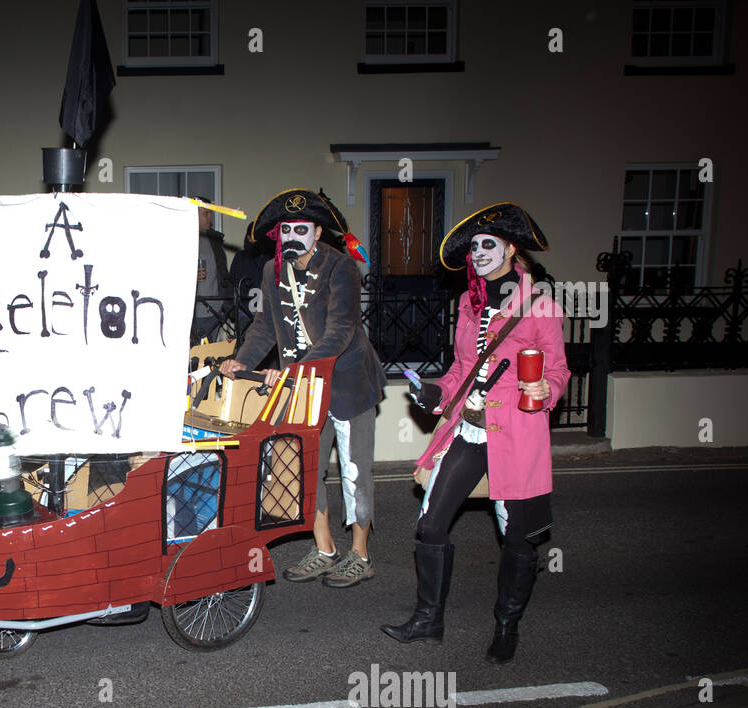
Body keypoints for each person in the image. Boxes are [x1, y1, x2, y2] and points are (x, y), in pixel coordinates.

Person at [381, 202, 570, 664]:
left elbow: (561, 370)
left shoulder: (539, 305)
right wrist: (435, 391)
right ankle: (429, 620)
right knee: (430, 525)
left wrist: (547, 388)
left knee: (519, 537)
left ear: (510, 249)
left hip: (517, 435)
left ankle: (506, 625)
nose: (479, 253)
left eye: (488, 244)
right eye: (473, 248)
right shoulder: (469, 303)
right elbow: (463, 370)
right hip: (470, 429)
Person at [219, 188, 384, 588]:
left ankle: (360, 553)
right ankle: (325, 547)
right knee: (302, 465)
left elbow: (341, 330)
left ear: (317, 232)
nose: (293, 235)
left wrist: (294, 370)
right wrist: (244, 360)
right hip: (304, 386)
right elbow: (264, 325)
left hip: (347, 383)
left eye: (302, 228)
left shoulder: (341, 267)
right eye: (287, 229)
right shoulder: (272, 271)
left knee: (354, 468)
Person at [191, 198, 233, 344]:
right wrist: (191, 276)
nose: (210, 217)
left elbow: (223, 273)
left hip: (217, 309)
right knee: (196, 359)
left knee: (213, 357)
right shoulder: (184, 238)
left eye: (210, 213)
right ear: (194, 214)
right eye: (206, 213)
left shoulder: (214, 240)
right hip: (195, 311)